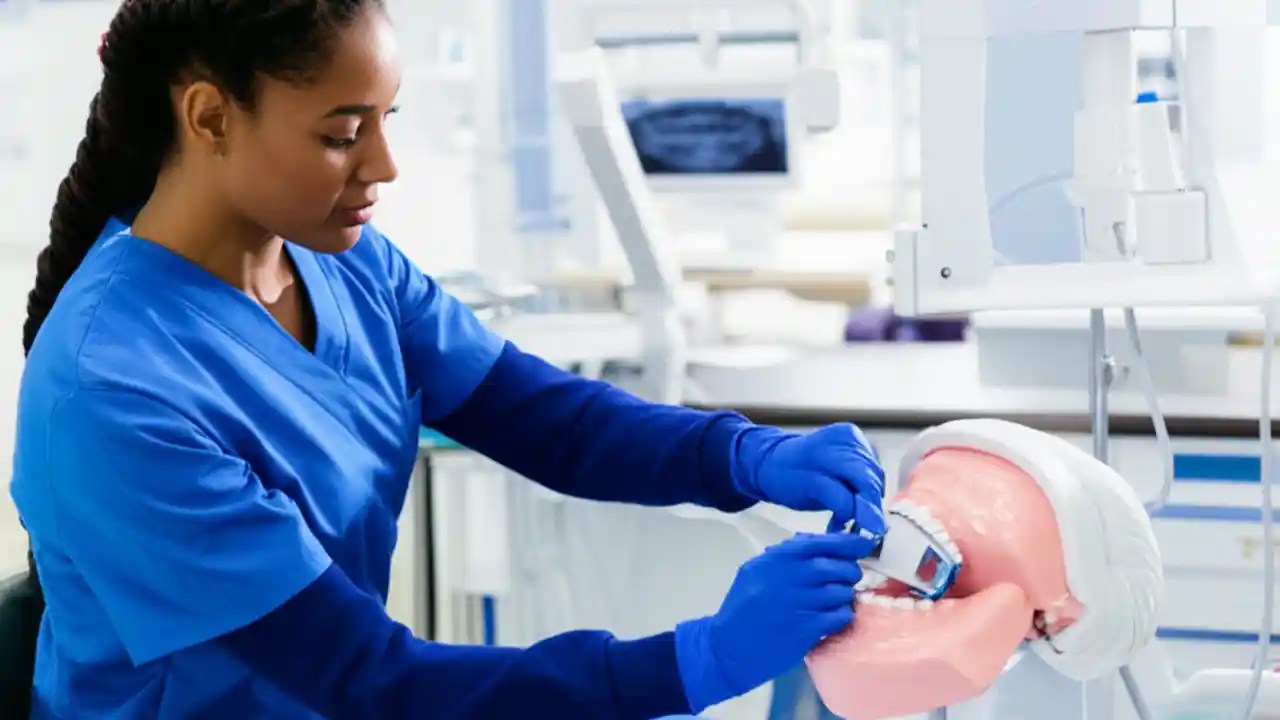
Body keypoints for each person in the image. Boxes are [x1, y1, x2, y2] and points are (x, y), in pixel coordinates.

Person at [8, 2, 887, 718]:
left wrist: (739, 455)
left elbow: (549, 422)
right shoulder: (115, 389)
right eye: (343, 132)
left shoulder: (345, 263)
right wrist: (700, 662)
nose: (382, 165)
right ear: (208, 116)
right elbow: (377, 682)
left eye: (385, 121)